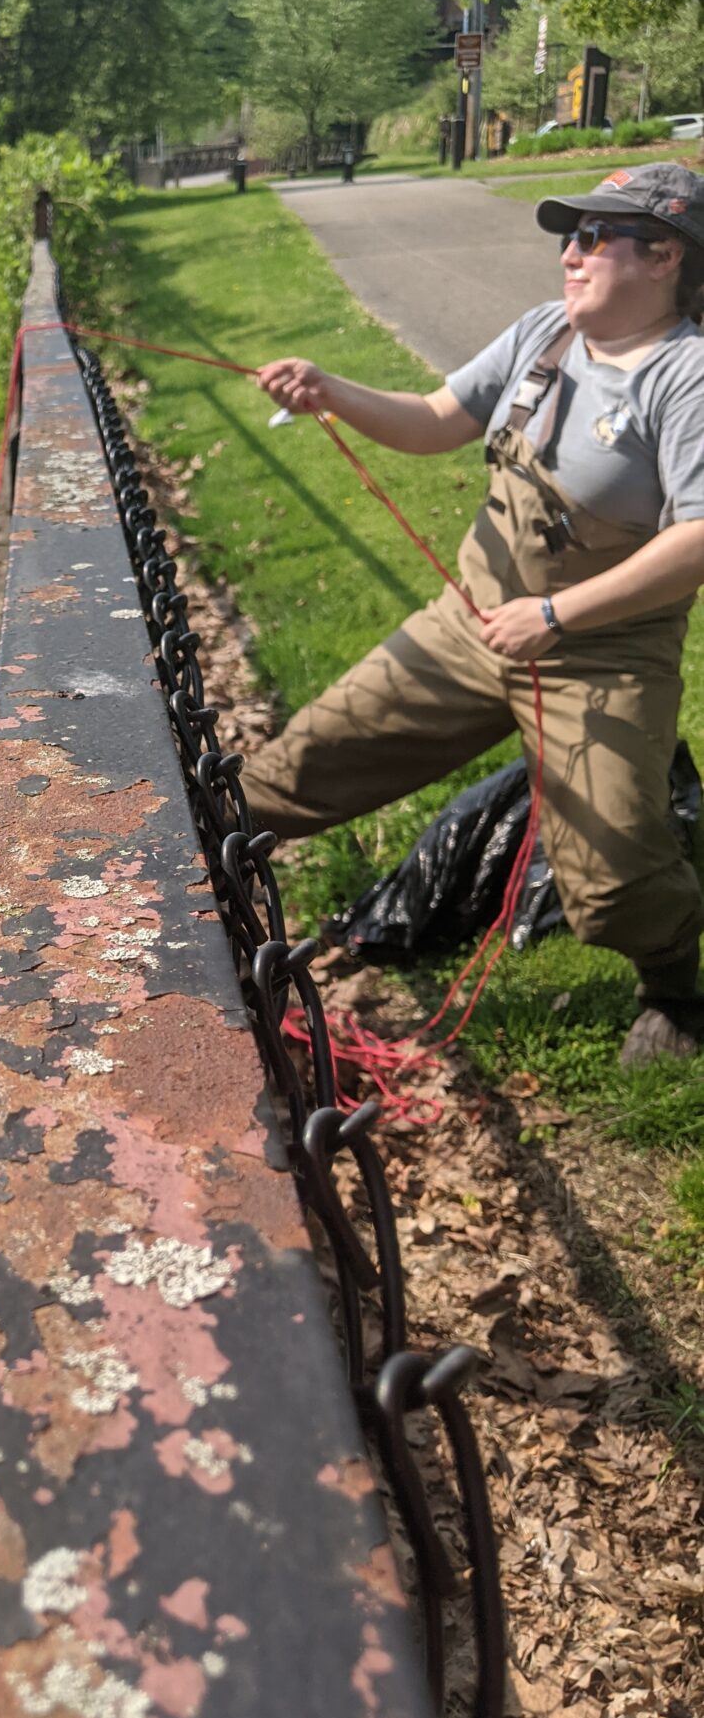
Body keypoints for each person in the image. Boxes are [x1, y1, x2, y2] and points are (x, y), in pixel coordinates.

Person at [249, 162, 704, 1067]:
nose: (568, 255)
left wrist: (557, 615)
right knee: (292, 771)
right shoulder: (545, 334)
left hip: (599, 654)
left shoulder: (685, 376)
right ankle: (189, 895)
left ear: (664, 255)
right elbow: (432, 418)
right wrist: (332, 388)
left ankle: (678, 984)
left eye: (590, 236)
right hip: (470, 625)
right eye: (566, 236)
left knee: (609, 887)